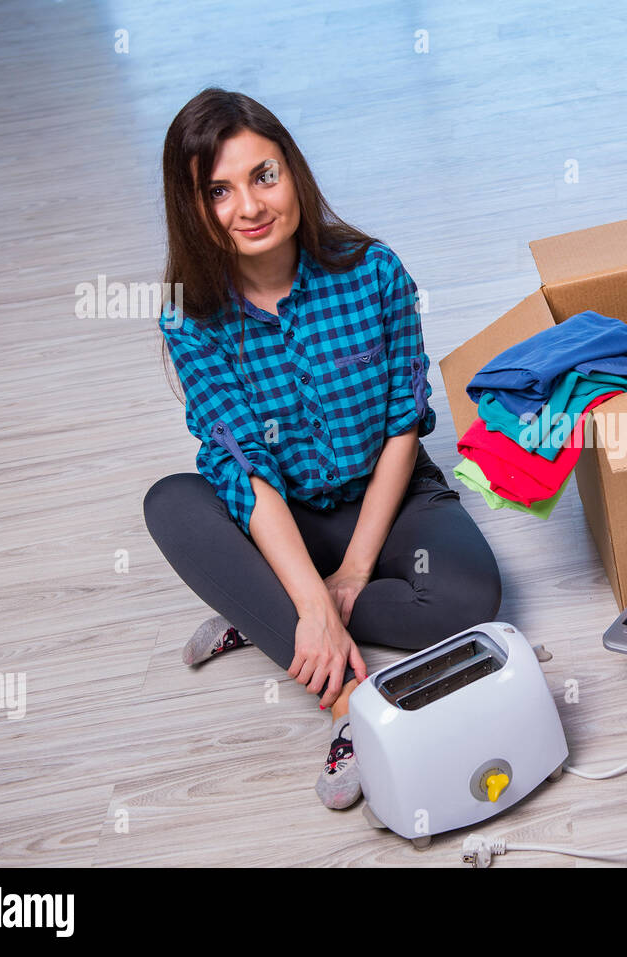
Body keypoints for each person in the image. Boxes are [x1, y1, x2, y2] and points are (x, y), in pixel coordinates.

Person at [143, 88, 503, 810]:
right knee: (172, 503)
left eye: (263, 176)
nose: (249, 206)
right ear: (193, 210)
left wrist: (354, 570)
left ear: (293, 173)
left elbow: (405, 425)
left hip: (388, 495)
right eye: (219, 191)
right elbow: (244, 467)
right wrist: (311, 597)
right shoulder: (193, 320)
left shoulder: (374, 271)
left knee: (472, 599)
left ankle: (254, 605)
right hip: (282, 514)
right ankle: (348, 700)